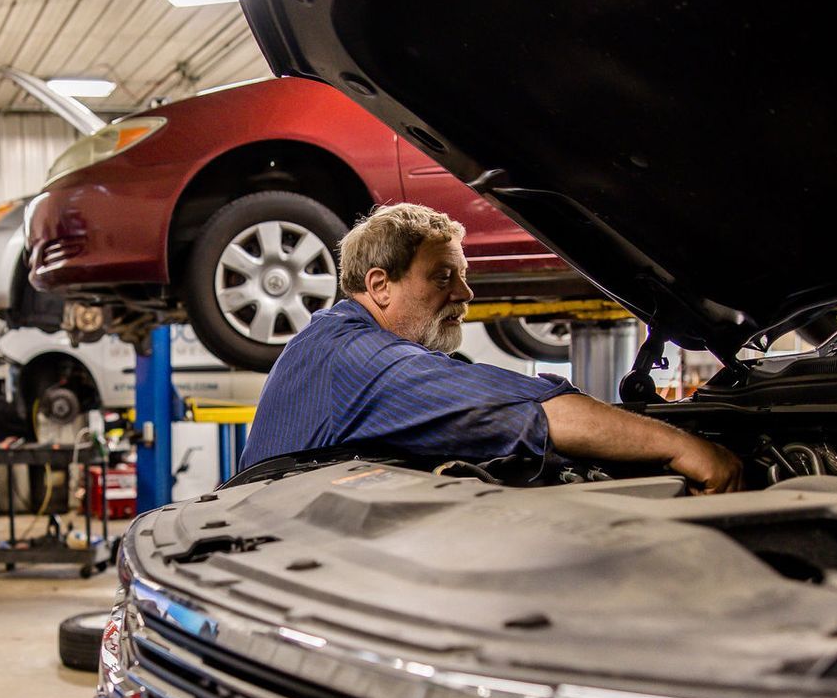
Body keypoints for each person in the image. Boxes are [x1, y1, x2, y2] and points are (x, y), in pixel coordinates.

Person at [239, 203, 743, 492]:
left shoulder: (331, 340)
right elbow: (538, 413)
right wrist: (685, 447)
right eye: (443, 277)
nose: (464, 293)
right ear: (380, 285)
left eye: (463, 275)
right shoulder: (362, 361)